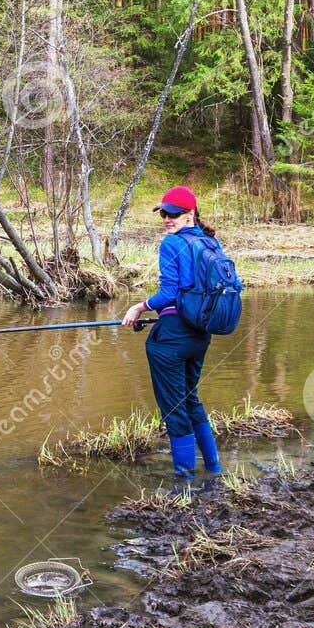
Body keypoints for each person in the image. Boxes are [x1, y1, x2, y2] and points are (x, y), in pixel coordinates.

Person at [120, 185, 221, 480]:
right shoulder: (212, 243)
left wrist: (139, 307)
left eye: (174, 213)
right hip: (201, 334)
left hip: (172, 337)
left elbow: (168, 293)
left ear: (190, 213)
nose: (168, 218)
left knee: (175, 406)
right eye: (164, 213)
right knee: (191, 399)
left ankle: (185, 478)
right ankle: (214, 468)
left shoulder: (171, 243)